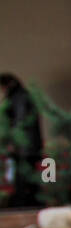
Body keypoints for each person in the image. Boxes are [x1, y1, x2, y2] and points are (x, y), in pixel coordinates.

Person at [0, 74, 42, 207]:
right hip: (30, 145)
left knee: (23, 177)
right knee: (28, 177)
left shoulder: (18, 98)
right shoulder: (22, 96)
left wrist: (14, 141)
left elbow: (20, 120)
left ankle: (24, 204)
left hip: (24, 146)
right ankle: (31, 202)